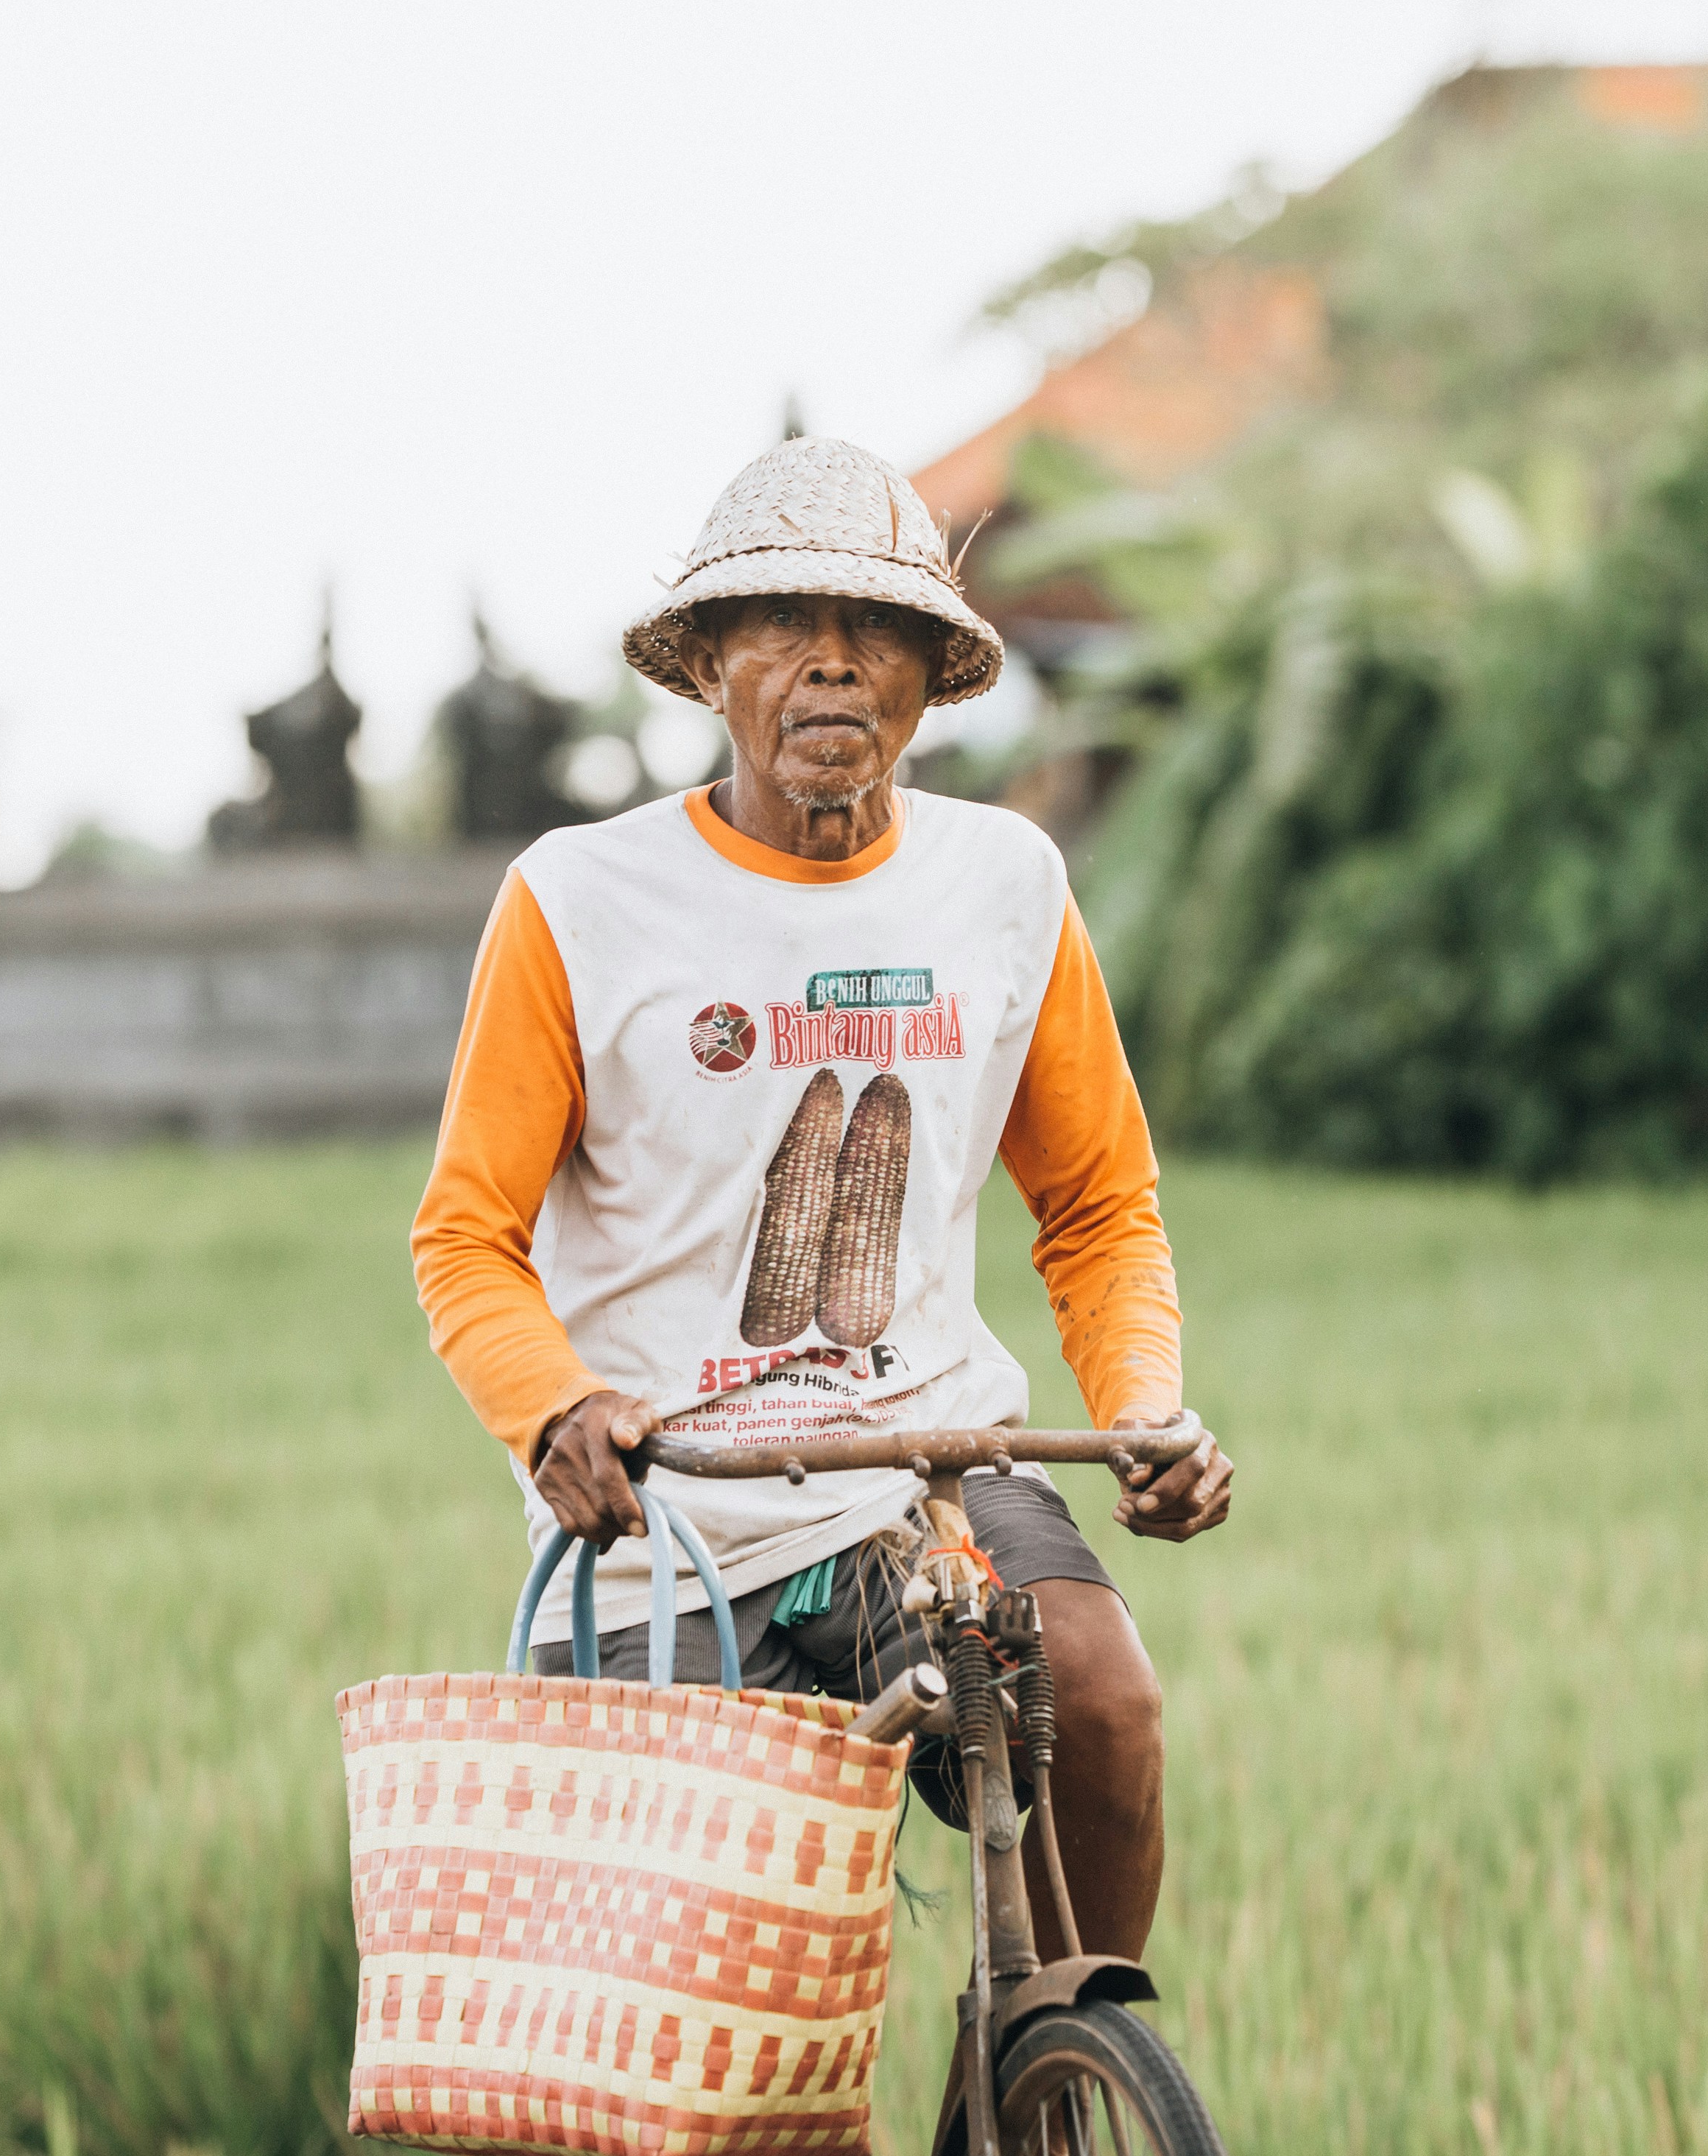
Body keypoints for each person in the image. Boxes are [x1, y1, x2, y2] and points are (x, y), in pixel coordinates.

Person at [409, 434, 1234, 1960]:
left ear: (932, 675)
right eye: (785, 626)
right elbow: (465, 1236)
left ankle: (1051, 2078)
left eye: (878, 635)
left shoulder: (1005, 884)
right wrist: (553, 1410)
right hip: (671, 1514)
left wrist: (1145, 1407)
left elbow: (1101, 1203)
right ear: (712, 663)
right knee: (741, 2038)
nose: (834, 668)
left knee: (1104, 1705)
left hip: (926, 1463)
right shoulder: (577, 901)